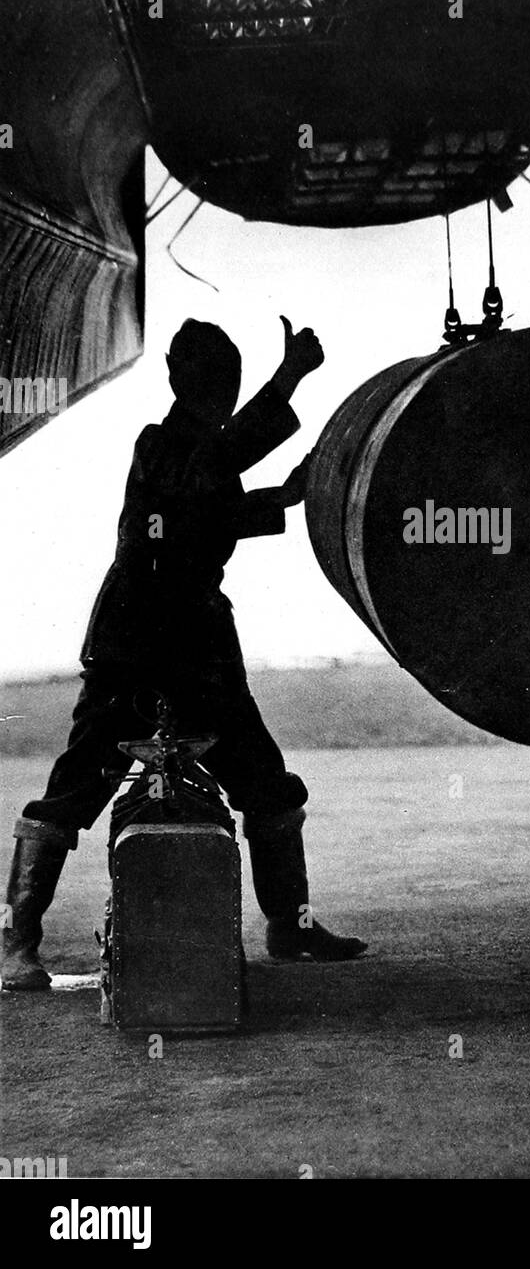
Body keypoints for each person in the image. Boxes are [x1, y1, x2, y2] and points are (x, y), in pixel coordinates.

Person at [2, 316, 367, 991]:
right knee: (77, 787)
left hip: (198, 643)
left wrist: (285, 496)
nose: (223, 393)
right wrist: (287, 379)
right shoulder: (162, 447)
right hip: (136, 645)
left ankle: (291, 925)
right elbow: (204, 475)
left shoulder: (200, 453)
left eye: (229, 381)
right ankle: (16, 943)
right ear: (178, 380)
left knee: (265, 781)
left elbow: (212, 508)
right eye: (213, 381)